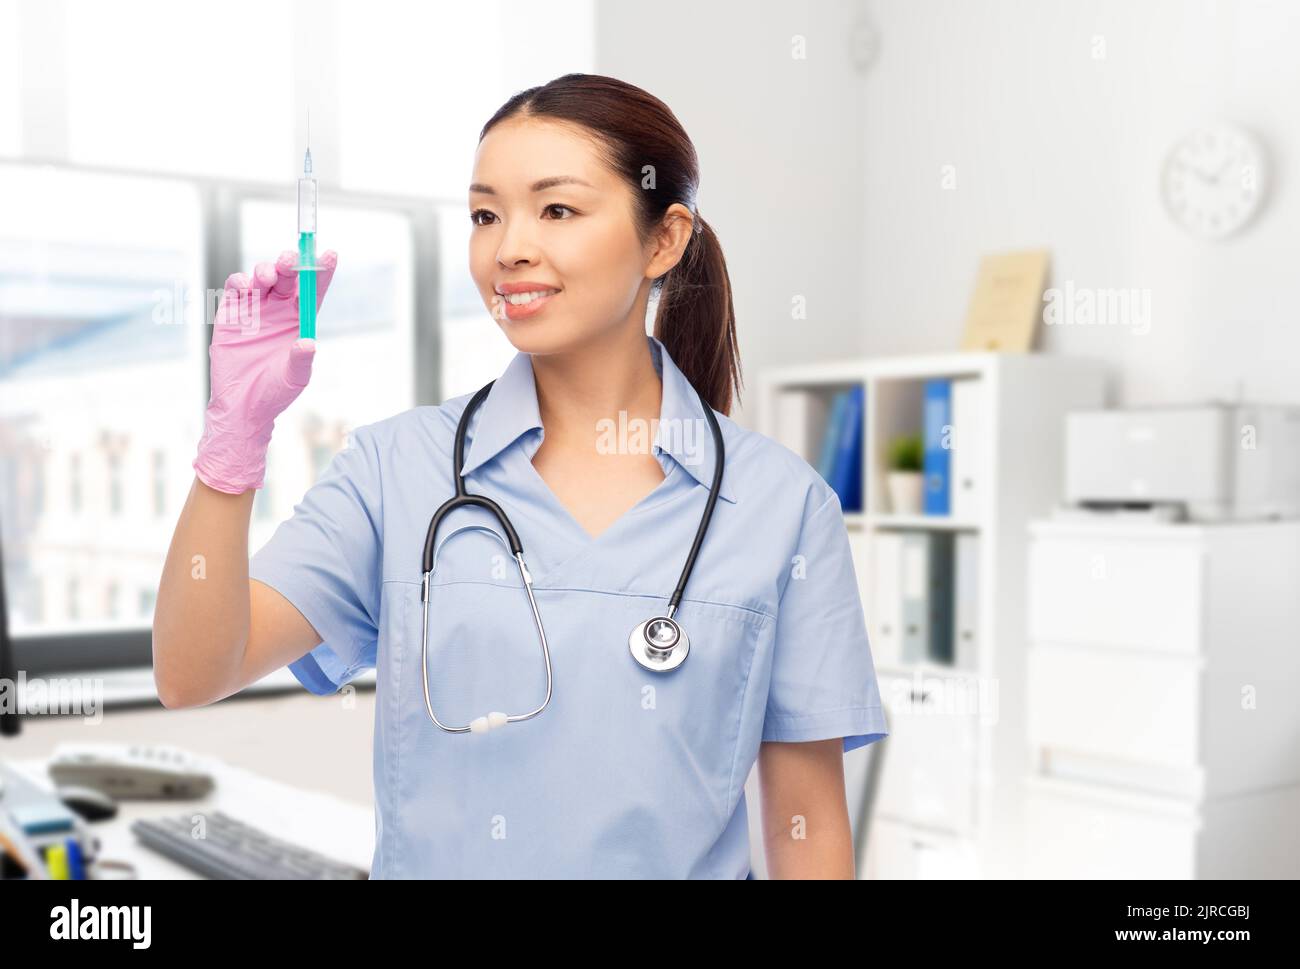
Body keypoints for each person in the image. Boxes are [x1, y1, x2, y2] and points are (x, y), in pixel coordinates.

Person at [153, 73, 888, 879]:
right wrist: (234, 436)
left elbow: (806, 826)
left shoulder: (782, 507)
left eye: (557, 209)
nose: (508, 248)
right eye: (485, 214)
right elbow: (194, 670)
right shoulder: (395, 472)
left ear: (663, 239)